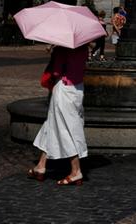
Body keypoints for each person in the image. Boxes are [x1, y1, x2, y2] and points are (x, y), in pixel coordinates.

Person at [28, 44, 90, 186]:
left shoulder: (62, 48)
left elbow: (56, 72)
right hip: (78, 88)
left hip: (63, 89)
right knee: (51, 125)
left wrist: (54, 53)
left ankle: (76, 170)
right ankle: (41, 166)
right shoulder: (83, 47)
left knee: (65, 128)